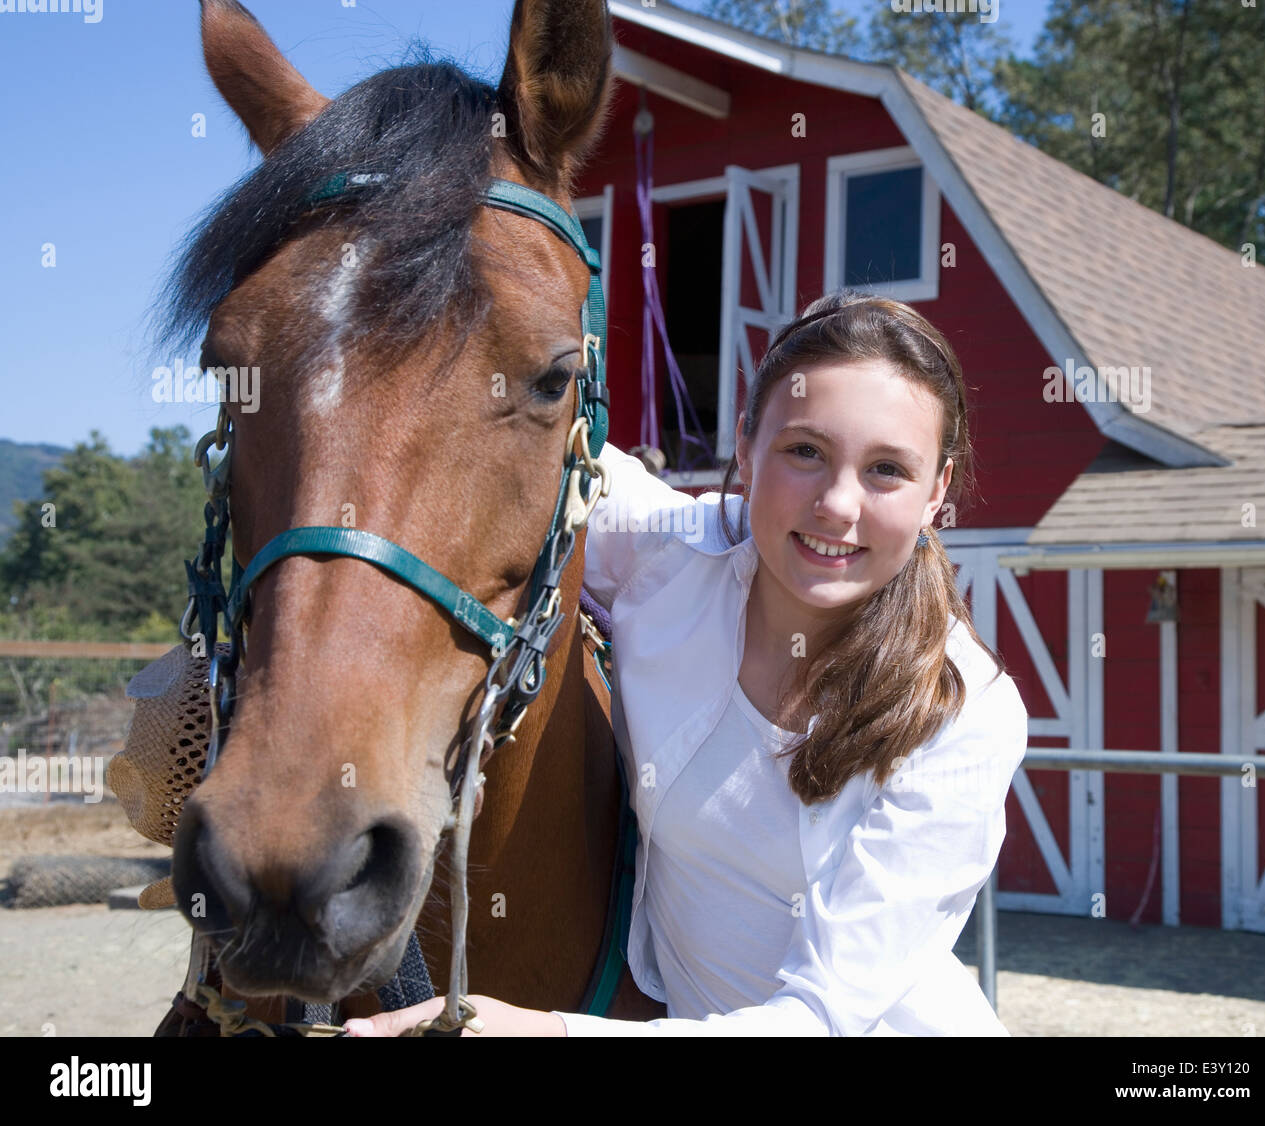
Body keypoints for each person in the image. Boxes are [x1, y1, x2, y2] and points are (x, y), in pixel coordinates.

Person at [345, 290, 1028, 1037]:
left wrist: (544, 1031)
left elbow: (818, 1022)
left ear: (937, 494)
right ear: (746, 446)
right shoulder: (670, 552)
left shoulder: (964, 714)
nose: (837, 504)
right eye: (806, 451)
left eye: (887, 470)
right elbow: (528, 434)